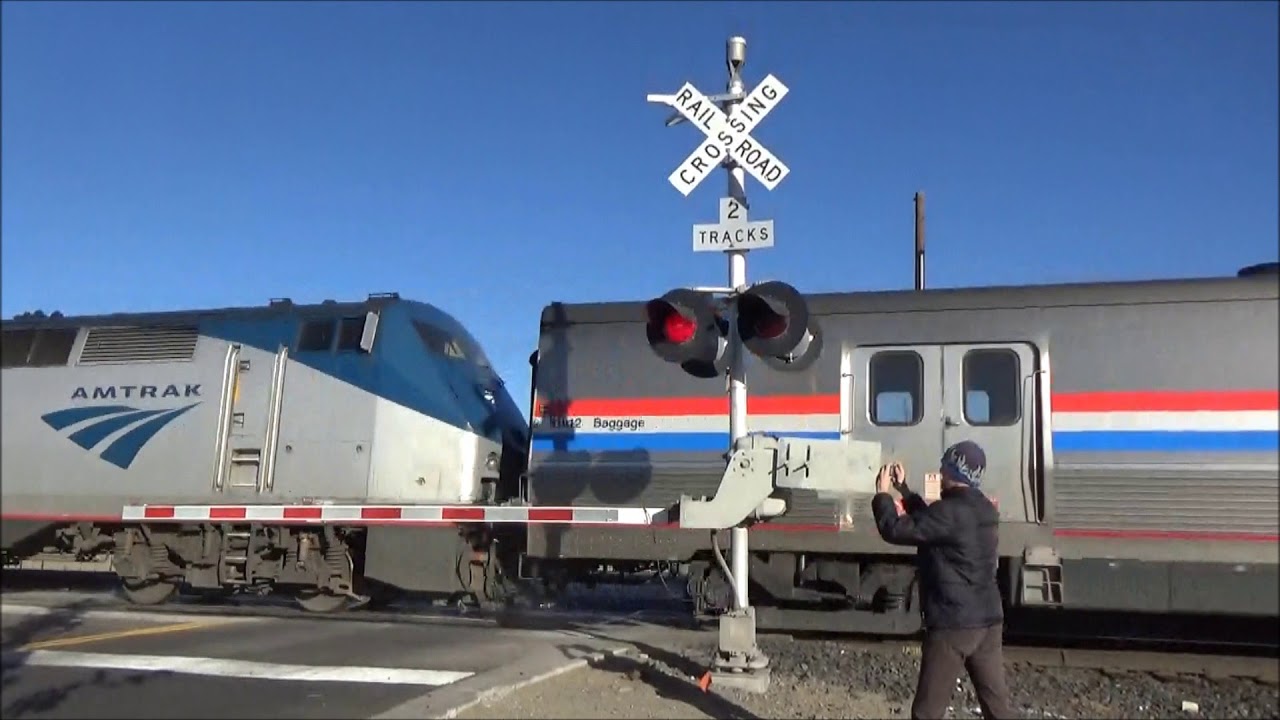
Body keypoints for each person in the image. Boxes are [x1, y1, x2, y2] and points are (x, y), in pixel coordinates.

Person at [871, 440, 1015, 720]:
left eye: (944, 466)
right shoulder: (984, 508)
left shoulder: (949, 512)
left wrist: (882, 496)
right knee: (997, 708)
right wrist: (906, 491)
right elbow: (932, 524)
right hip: (988, 620)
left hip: (954, 624)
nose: (939, 471)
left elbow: (895, 530)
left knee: (927, 711)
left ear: (953, 471)